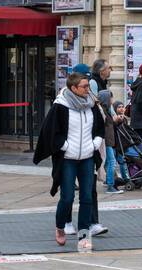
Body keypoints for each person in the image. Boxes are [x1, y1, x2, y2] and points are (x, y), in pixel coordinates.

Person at [34, 71, 107, 247]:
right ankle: (60, 227)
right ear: (73, 88)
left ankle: (83, 236)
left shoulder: (92, 105)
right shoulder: (60, 106)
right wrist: (66, 146)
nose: (87, 89)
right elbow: (51, 132)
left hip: (87, 157)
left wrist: (95, 144)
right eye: (84, 86)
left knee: (87, 197)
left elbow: (99, 127)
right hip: (68, 158)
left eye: (88, 85)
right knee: (67, 197)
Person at [95, 89, 126, 194]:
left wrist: (117, 121)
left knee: (109, 162)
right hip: (107, 141)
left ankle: (109, 183)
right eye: (111, 97)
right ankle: (110, 185)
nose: (112, 99)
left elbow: (111, 125)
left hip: (109, 140)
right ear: (106, 99)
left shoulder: (108, 110)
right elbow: (105, 126)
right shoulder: (103, 111)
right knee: (112, 162)